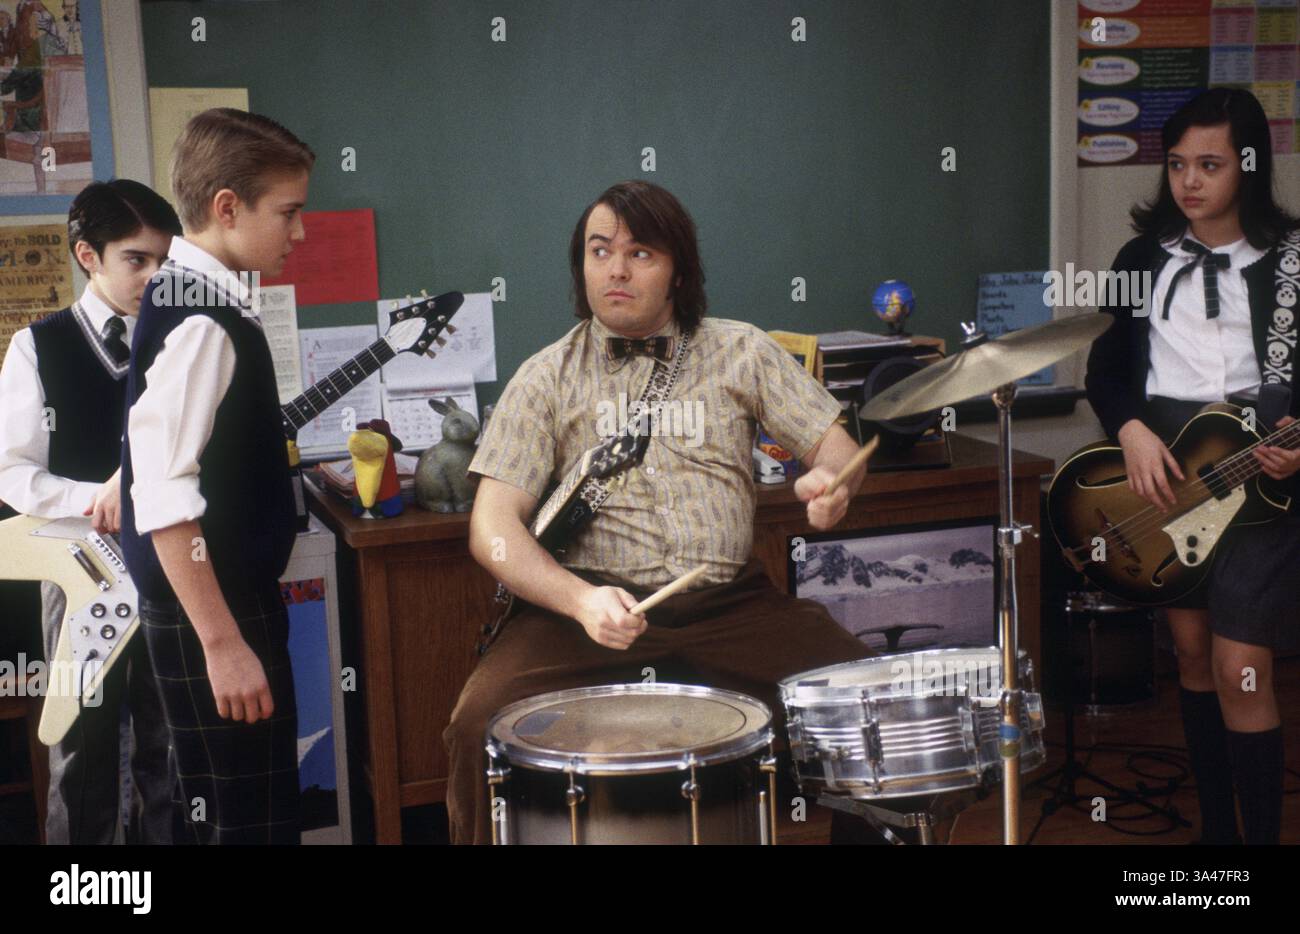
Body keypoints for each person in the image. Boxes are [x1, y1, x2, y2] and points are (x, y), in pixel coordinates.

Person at [444, 180, 876, 844]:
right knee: (478, 725)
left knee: (865, 699)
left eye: (640, 252)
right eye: (599, 250)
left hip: (730, 605)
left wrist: (833, 481)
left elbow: (836, 445)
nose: (615, 269)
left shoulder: (742, 350)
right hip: (586, 614)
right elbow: (492, 528)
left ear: (678, 271)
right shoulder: (545, 377)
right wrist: (582, 601)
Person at [1086, 88, 1300, 845]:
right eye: (1178, 165)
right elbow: (1105, 371)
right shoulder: (1139, 258)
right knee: (1193, 657)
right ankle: (1217, 845)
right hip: (1171, 475)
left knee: (1245, 666)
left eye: (1210, 164)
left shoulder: (1293, 263)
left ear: (1249, 165)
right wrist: (1133, 432)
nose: (1190, 182)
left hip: (1266, 487)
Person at [118, 107, 313, 844]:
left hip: (212, 604)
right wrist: (224, 645)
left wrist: (122, 478)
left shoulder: (180, 296)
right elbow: (167, 498)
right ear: (227, 207)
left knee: (228, 814)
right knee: (248, 825)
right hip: (217, 610)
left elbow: (151, 443)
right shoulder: (205, 323)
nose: (299, 233)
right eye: (288, 212)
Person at [0, 179, 180, 844]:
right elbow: (11, 472)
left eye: (164, 260)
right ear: (88, 255)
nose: (155, 275)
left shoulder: (180, 344)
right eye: (137, 259)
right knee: (82, 758)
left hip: (169, 572)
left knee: (173, 757)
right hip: (79, 576)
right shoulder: (36, 347)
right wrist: (89, 497)